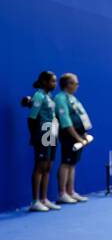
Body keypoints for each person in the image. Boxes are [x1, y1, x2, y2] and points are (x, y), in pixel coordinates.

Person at [53, 73, 92, 204]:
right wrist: (77, 137)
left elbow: (80, 117)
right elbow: (66, 121)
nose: (77, 86)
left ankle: (71, 191)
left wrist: (84, 134)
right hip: (68, 135)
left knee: (73, 164)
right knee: (66, 162)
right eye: (75, 83)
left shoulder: (73, 98)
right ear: (67, 84)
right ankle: (62, 193)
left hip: (78, 135)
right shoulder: (60, 98)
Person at [26, 70, 59, 212]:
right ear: (44, 82)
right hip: (44, 130)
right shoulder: (39, 95)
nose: (55, 84)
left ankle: (44, 199)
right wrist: (35, 135)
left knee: (48, 166)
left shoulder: (49, 96)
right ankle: (35, 201)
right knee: (40, 166)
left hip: (52, 129)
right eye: (52, 81)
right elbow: (32, 118)